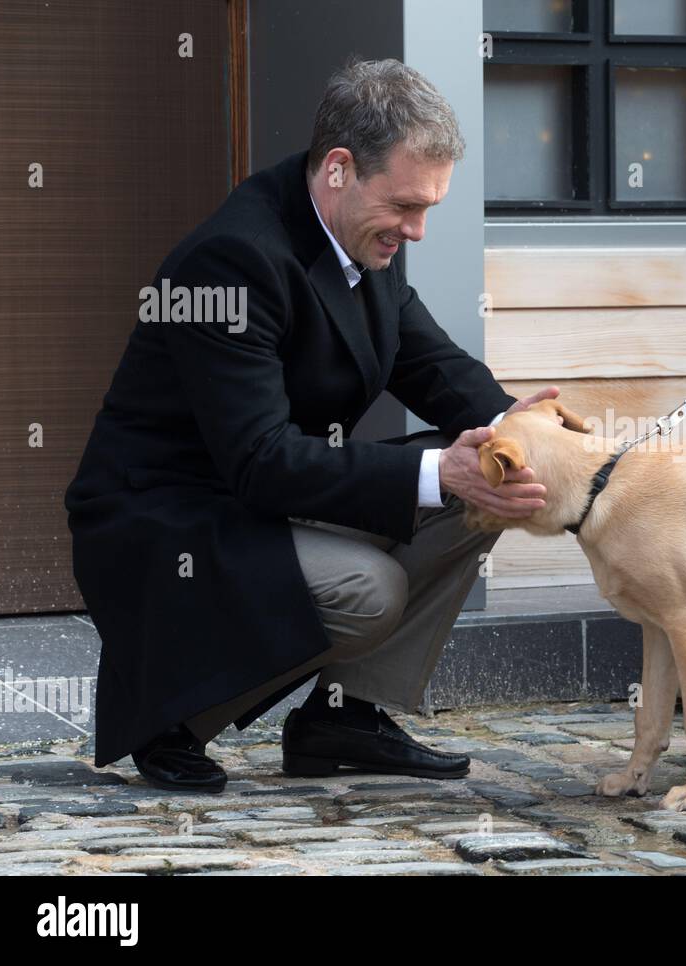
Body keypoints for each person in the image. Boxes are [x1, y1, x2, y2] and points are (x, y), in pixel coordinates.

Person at [64, 58, 555, 792]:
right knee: (371, 588)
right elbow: (260, 460)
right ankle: (176, 716)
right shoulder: (233, 261)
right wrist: (433, 470)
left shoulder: (363, 232)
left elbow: (429, 364)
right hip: (172, 520)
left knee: (481, 487)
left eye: (430, 208)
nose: (418, 230)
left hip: (264, 499)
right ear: (338, 169)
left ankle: (343, 718)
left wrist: (517, 428)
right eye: (406, 206)